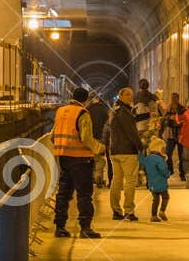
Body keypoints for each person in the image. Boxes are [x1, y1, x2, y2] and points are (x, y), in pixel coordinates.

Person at [51, 87, 103, 238]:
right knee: (84, 194)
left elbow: (52, 136)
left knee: (63, 193)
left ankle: (60, 227)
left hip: (63, 158)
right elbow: (86, 138)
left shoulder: (60, 111)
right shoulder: (83, 113)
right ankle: (85, 228)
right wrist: (99, 148)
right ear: (86, 100)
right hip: (81, 160)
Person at [106, 86, 144, 220]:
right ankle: (129, 211)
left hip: (115, 151)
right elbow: (132, 133)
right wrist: (141, 147)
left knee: (116, 181)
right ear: (120, 97)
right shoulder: (124, 112)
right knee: (130, 182)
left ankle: (116, 211)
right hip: (127, 152)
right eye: (127, 95)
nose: (130, 97)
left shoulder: (115, 111)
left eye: (131, 95)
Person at [142, 137, 172, 221]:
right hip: (161, 183)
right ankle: (162, 211)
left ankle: (153, 215)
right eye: (163, 148)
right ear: (159, 148)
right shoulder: (159, 159)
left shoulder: (147, 158)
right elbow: (163, 170)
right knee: (165, 197)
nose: (164, 150)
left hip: (151, 183)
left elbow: (143, 165)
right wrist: (167, 174)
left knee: (155, 199)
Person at [85, 91, 110, 187]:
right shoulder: (104, 110)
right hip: (101, 138)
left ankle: (91, 179)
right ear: (98, 98)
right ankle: (99, 179)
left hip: (90, 138)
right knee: (100, 159)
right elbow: (107, 125)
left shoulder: (87, 110)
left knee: (91, 159)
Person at [160, 93, 186, 181]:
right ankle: (170, 170)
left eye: (175, 98)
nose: (174, 100)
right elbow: (164, 119)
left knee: (181, 155)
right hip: (171, 135)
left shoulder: (182, 108)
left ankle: (182, 173)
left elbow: (185, 120)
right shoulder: (168, 108)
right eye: (173, 98)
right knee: (168, 153)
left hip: (180, 135)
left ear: (178, 99)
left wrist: (176, 119)